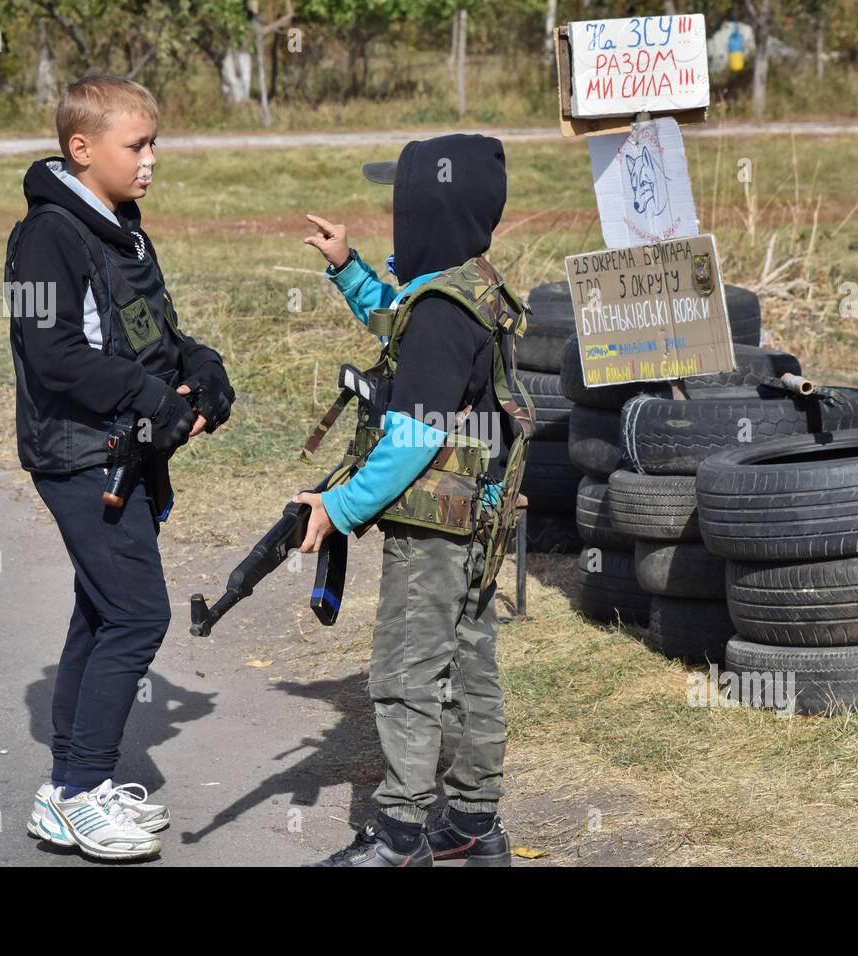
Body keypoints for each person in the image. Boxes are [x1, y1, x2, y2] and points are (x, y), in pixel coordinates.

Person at [6, 74, 234, 861]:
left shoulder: (123, 226)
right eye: (136, 146)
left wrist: (202, 371)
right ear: (82, 148)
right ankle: (80, 792)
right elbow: (52, 351)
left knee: (103, 611)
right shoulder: (46, 237)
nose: (151, 160)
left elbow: (156, 332)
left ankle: (66, 789)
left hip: (121, 449)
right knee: (138, 616)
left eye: (154, 144)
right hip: (77, 457)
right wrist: (146, 396)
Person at [297, 133, 530, 867]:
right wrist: (349, 270)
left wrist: (340, 507)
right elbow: (394, 319)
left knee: (407, 671)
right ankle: (470, 819)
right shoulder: (466, 288)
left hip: (434, 525)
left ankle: (398, 834)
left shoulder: (438, 311)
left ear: (427, 210)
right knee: (469, 665)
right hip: (478, 516)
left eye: (400, 204)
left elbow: (410, 439)